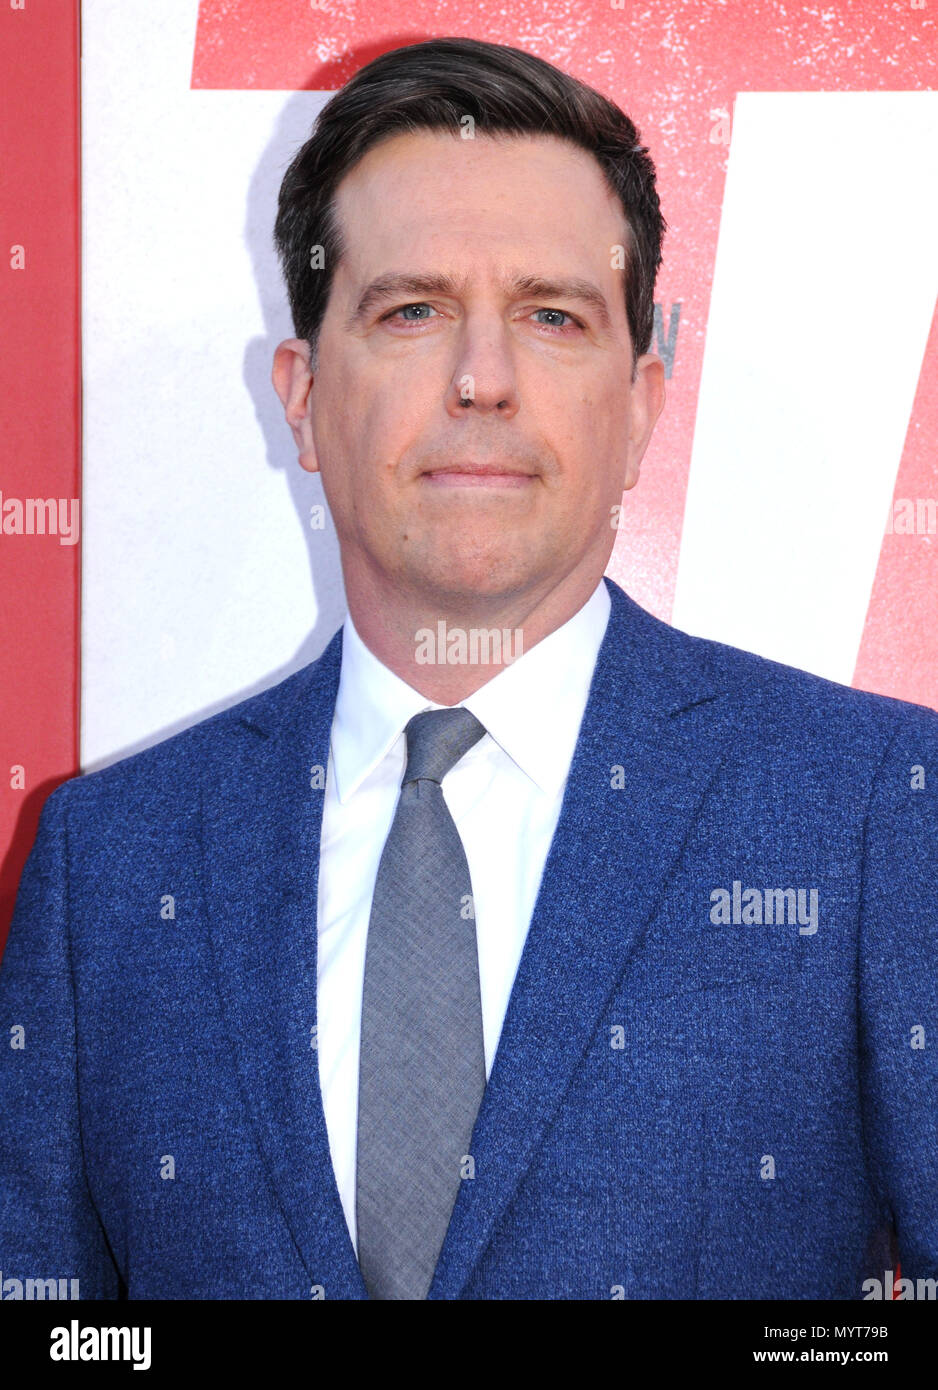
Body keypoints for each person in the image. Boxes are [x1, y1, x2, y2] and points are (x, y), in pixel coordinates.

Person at [1, 37, 935, 1302]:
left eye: (551, 315)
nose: (480, 379)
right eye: (411, 309)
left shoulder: (874, 809)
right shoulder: (108, 866)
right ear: (301, 395)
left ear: (641, 399)